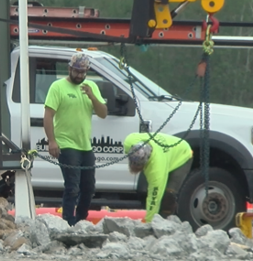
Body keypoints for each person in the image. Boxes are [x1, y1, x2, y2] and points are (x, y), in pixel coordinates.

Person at [43, 52, 108, 226]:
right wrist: (52, 140)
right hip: (66, 143)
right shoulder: (58, 87)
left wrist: (92, 97)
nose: (80, 75)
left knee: (89, 188)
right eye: (77, 71)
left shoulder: (91, 86)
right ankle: (68, 222)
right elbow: (48, 115)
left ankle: (80, 219)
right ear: (70, 69)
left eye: (83, 72)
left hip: (85, 145)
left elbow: (103, 114)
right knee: (73, 187)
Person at [123, 132, 193, 223]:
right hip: (168, 152)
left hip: (182, 154)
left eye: (139, 166)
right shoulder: (129, 141)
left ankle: (165, 221)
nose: (135, 167)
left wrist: (148, 222)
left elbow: (154, 198)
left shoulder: (156, 169)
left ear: (147, 161)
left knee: (168, 194)